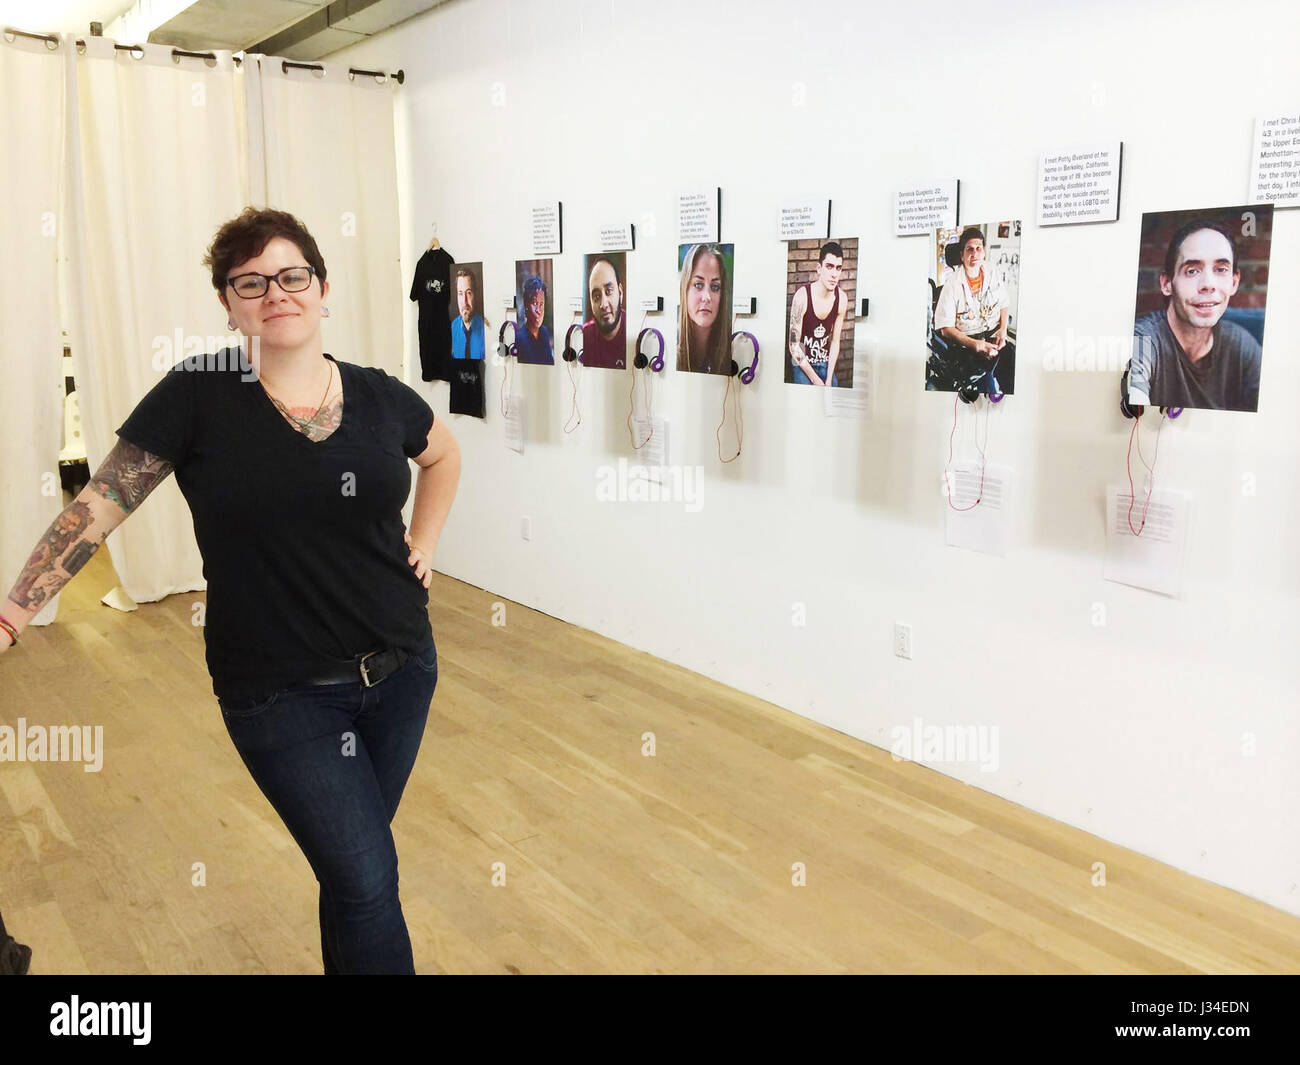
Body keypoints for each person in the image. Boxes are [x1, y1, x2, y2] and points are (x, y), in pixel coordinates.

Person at [0, 207, 462, 976]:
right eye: (251, 282)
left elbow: (442, 455)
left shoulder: (379, 395)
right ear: (229, 301)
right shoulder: (198, 395)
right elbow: (98, 506)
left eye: (291, 275)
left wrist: (425, 542)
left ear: (321, 288)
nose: (274, 293)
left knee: (355, 874)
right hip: (281, 694)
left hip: (403, 670)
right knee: (367, 877)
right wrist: (13, 610)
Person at [1128, 220, 1261, 412]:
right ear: (1167, 283)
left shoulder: (1241, 346)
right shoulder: (1143, 339)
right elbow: (1134, 393)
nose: (1208, 284)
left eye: (1221, 269)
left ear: (1234, 282)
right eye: (1192, 271)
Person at [931, 227, 1015, 395]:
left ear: (983, 252)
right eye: (969, 249)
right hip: (966, 345)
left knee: (1012, 365)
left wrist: (1002, 331)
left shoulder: (992, 272)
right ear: (962, 255)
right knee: (982, 383)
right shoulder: (952, 285)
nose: (975, 253)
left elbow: (1004, 304)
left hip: (993, 338)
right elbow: (946, 329)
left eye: (978, 248)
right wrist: (974, 344)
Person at [788, 242, 848, 386]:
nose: (834, 274)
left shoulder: (842, 299)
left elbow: (835, 342)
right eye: (829, 266)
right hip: (802, 362)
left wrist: (828, 380)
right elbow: (794, 346)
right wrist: (815, 380)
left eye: (838, 268)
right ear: (819, 269)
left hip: (824, 362)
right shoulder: (802, 296)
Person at [677, 243, 732, 374]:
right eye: (698, 284)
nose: (706, 297)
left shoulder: (734, 351)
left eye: (715, 287)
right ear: (685, 290)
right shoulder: (671, 352)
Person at [581, 256, 626, 368]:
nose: (603, 304)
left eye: (609, 291)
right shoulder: (584, 336)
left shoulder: (635, 331)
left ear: (620, 293)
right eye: (596, 296)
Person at [514, 273, 553, 364]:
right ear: (526, 304)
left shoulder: (544, 332)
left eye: (541, 304)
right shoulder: (520, 339)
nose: (538, 310)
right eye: (535, 304)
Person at [450, 267, 485, 360]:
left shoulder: (486, 328)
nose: (464, 302)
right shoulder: (452, 328)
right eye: (460, 293)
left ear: (475, 294)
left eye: (469, 293)